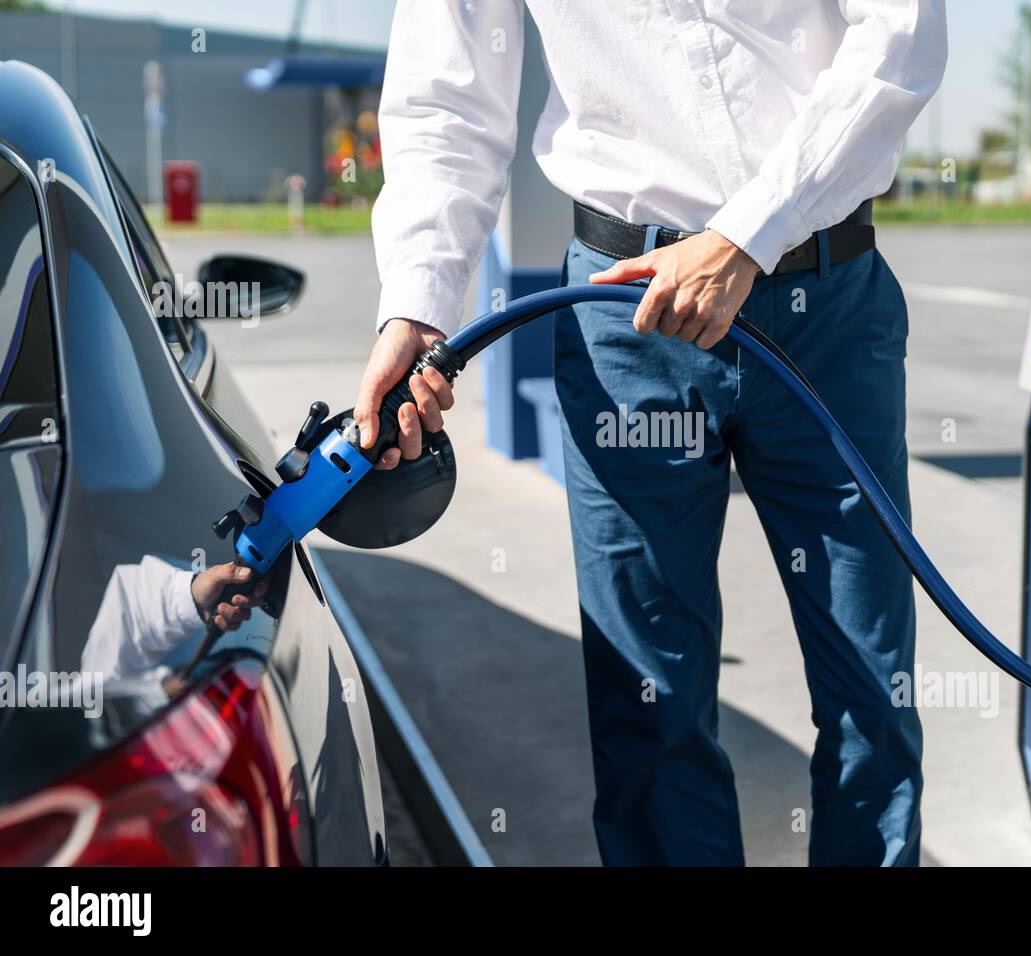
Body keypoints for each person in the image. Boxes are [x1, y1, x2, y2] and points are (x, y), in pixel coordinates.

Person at [360, 0, 947, 866]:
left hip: (825, 304)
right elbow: (446, 98)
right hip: (625, 317)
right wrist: (417, 302)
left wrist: (744, 236)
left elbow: (901, 33)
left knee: (873, 690)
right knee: (650, 700)